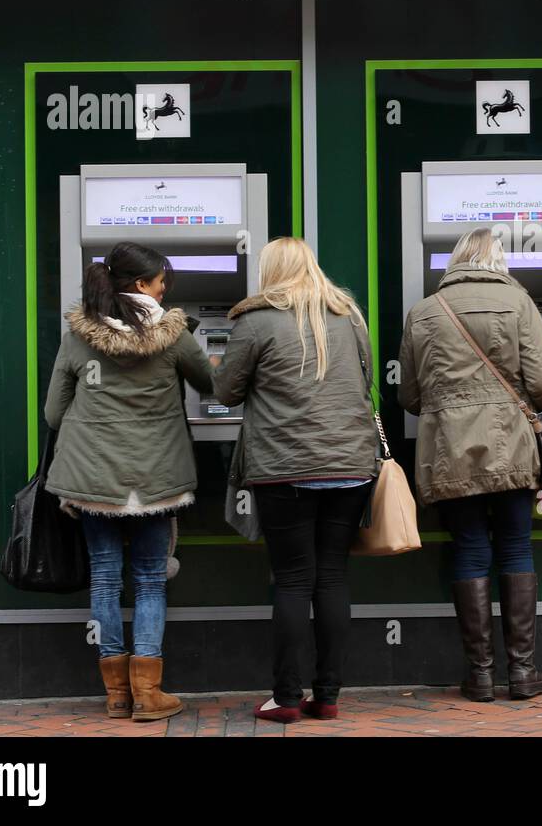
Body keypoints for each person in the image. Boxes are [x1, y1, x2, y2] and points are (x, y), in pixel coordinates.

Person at [44, 241, 214, 722]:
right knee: (149, 580)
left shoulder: (80, 336)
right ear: (142, 285)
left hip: (92, 476)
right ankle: (148, 693)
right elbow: (212, 387)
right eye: (162, 281)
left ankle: (116, 693)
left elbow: (54, 414)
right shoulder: (174, 334)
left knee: (104, 578)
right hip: (155, 477)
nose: (165, 290)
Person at [212, 237, 379, 724]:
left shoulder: (254, 320)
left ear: (271, 271)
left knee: (291, 580)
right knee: (331, 577)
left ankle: (285, 698)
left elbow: (226, 391)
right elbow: (364, 383)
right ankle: (326, 696)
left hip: (285, 466)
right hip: (349, 465)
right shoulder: (348, 314)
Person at [398, 227, 542, 702]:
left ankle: (481, 675)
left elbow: (409, 395)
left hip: (449, 448)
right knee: (514, 545)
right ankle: (523, 672)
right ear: (499, 260)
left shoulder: (426, 311)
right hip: (509, 442)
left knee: (469, 547)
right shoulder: (518, 302)